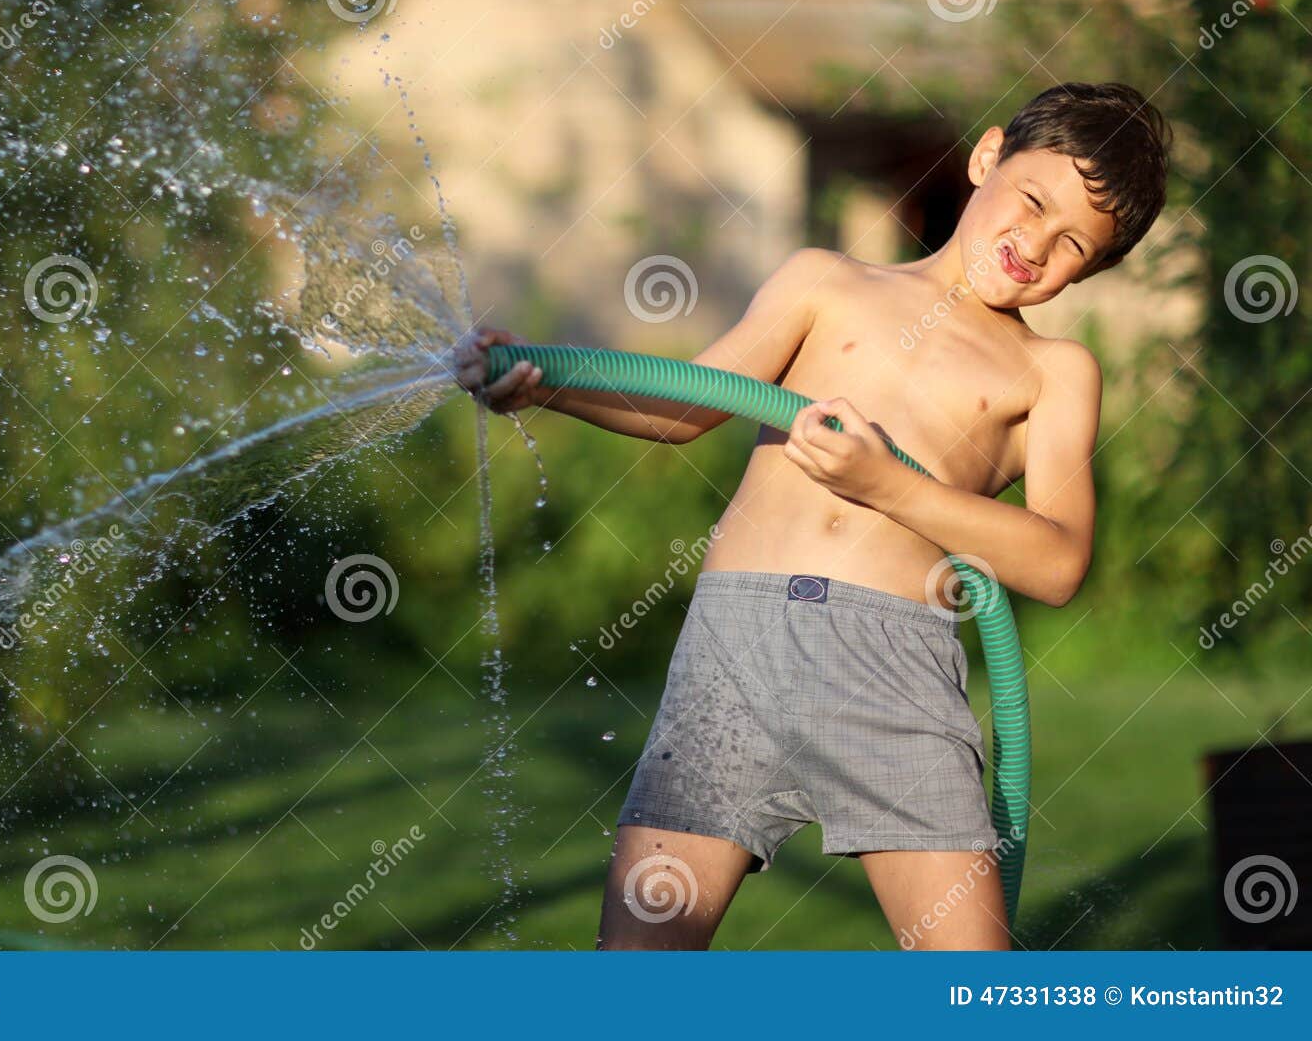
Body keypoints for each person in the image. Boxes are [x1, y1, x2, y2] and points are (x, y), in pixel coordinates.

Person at [450, 82, 1171, 950]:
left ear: (1091, 270)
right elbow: (684, 406)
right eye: (1031, 202)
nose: (1036, 245)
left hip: (892, 669)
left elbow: (1057, 561)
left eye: (1072, 246)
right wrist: (547, 384)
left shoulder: (1052, 371)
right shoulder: (826, 281)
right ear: (986, 158)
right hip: (734, 652)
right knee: (638, 963)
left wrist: (893, 487)